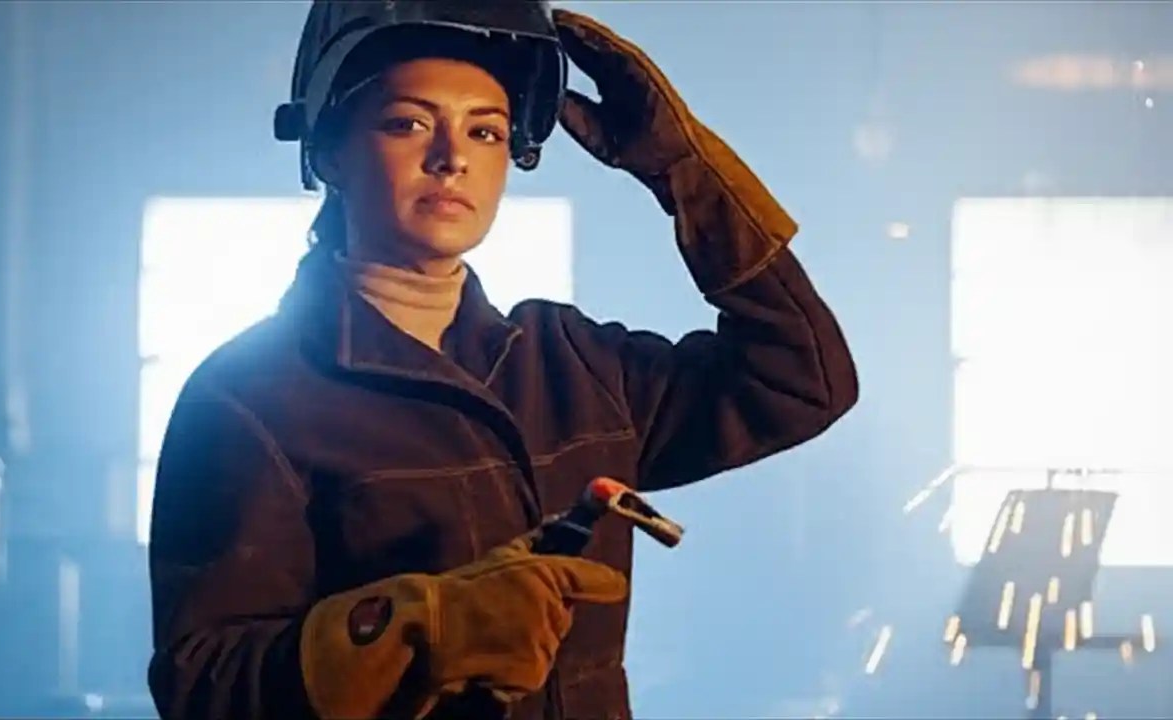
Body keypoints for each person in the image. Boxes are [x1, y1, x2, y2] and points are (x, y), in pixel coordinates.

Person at [145, 2, 859, 719]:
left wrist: (682, 173)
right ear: (330, 150)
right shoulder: (252, 399)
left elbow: (804, 380)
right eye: (408, 123)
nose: (452, 158)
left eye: (484, 131)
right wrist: (418, 629)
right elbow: (203, 684)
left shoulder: (571, 362)